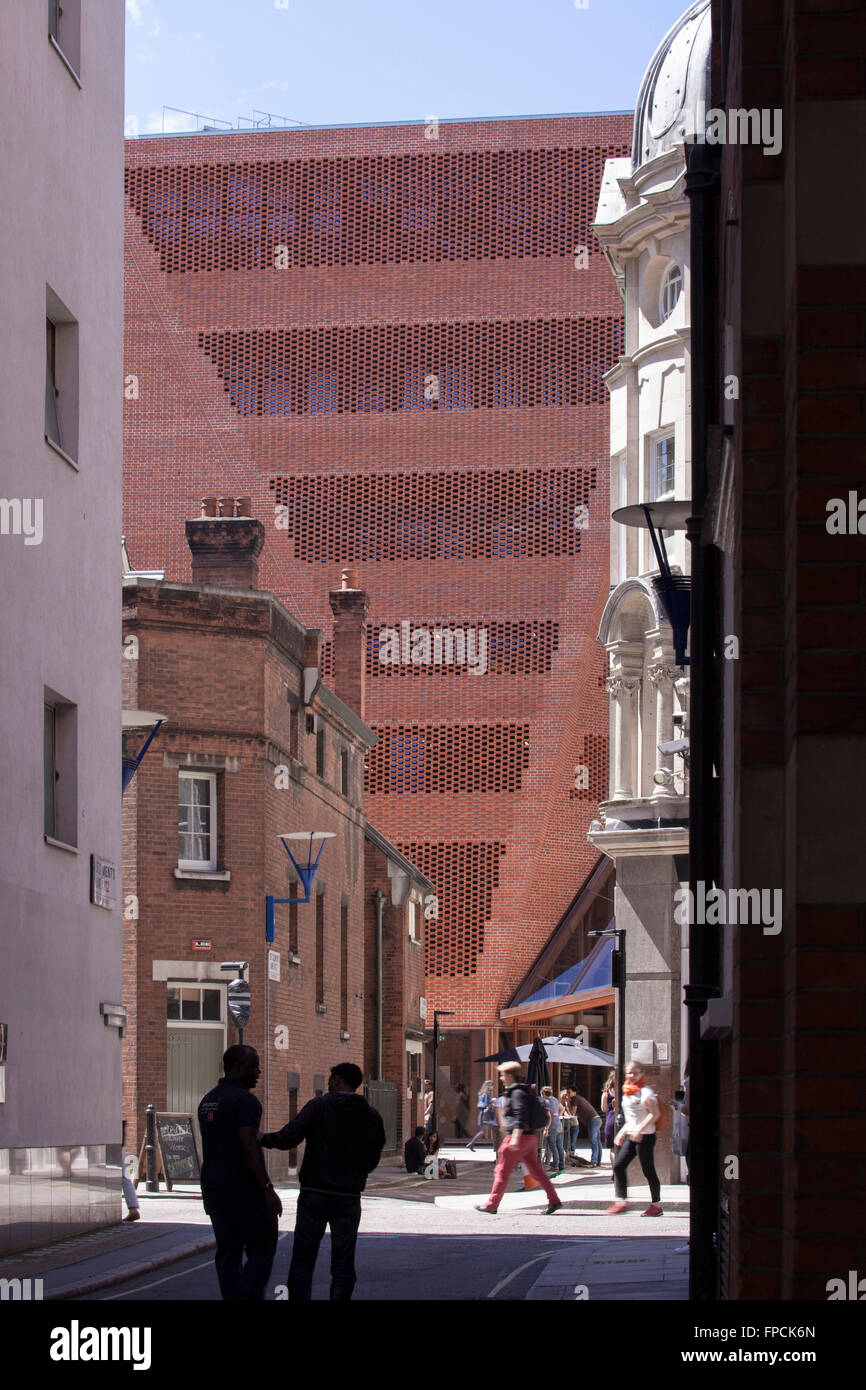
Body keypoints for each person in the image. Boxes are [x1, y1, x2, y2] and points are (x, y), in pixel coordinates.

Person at [260, 1062, 385, 1300]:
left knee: (303, 1259)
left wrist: (262, 1139)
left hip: (314, 1193)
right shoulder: (371, 1115)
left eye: (331, 1080)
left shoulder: (319, 1106)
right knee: (343, 1261)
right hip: (348, 1196)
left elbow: (289, 1137)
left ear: (337, 1081)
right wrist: (357, 1173)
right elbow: (374, 1156)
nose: (328, 1085)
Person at [198, 1045, 282, 1300]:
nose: (258, 1071)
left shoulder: (208, 1099)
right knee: (262, 1246)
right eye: (253, 1066)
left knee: (228, 1251)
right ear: (236, 1067)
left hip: (213, 1187)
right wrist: (267, 1189)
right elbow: (248, 1146)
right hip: (242, 1189)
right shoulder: (246, 1101)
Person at [475, 1062, 562, 1215]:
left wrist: (515, 1137)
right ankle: (554, 1200)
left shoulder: (516, 1093)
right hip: (529, 1138)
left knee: (501, 1170)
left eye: (502, 1075)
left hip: (518, 1138)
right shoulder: (523, 1091)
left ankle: (491, 1204)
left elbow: (520, 1114)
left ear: (509, 1075)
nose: (501, 1078)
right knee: (537, 1172)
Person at [607, 1061, 663, 1215]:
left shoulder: (646, 1092)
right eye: (629, 1073)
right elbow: (632, 1118)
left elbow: (655, 1114)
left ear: (642, 1074)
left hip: (645, 1136)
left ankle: (656, 1205)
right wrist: (622, 1132)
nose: (632, 1076)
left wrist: (639, 1129)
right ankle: (622, 1201)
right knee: (618, 1166)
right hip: (632, 1134)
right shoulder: (627, 1092)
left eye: (635, 1073)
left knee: (648, 1171)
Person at [573, 1087, 603, 1166]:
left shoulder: (575, 1099)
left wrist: (566, 1102)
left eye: (569, 1092)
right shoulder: (579, 1098)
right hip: (596, 1119)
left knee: (594, 1141)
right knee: (597, 1141)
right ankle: (597, 1161)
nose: (568, 1095)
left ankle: (594, 1161)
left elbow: (572, 1113)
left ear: (574, 1093)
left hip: (593, 1120)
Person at [466, 1079, 498, 1152]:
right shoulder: (488, 1093)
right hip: (487, 1114)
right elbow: (487, 1104)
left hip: (481, 1113)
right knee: (494, 1130)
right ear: (489, 1086)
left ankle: (471, 1143)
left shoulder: (481, 1093)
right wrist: (493, 1101)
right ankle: (495, 1147)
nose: (493, 1087)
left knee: (483, 1131)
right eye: (492, 1086)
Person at [541, 1086, 565, 1175]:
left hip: (551, 1126)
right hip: (558, 1124)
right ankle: (562, 1164)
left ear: (543, 1094)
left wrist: (546, 1129)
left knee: (553, 1146)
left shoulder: (545, 1102)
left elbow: (549, 1117)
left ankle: (555, 1165)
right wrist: (558, 1116)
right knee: (559, 1146)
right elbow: (562, 1108)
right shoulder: (555, 1099)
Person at [121, 1120, 140, 1222]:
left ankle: (133, 1208)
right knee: (124, 1174)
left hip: (112, 1132)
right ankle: (133, 1208)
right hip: (118, 1132)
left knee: (123, 1174)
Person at [600, 1071, 618, 1167]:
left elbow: (604, 1109)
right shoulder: (624, 1090)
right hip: (623, 1119)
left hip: (611, 1119)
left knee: (612, 1148)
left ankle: (615, 1171)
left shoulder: (606, 1093)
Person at [558, 1089, 577, 1160]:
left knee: (572, 1143)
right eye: (563, 1096)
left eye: (566, 1096)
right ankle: (565, 1157)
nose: (565, 1098)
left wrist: (567, 1105)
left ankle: (571, 1157)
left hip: (574, 1124)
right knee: (564, 1142)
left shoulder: (572, 1103)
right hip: (564, 1125)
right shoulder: (559, 1104)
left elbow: (572, 1114)